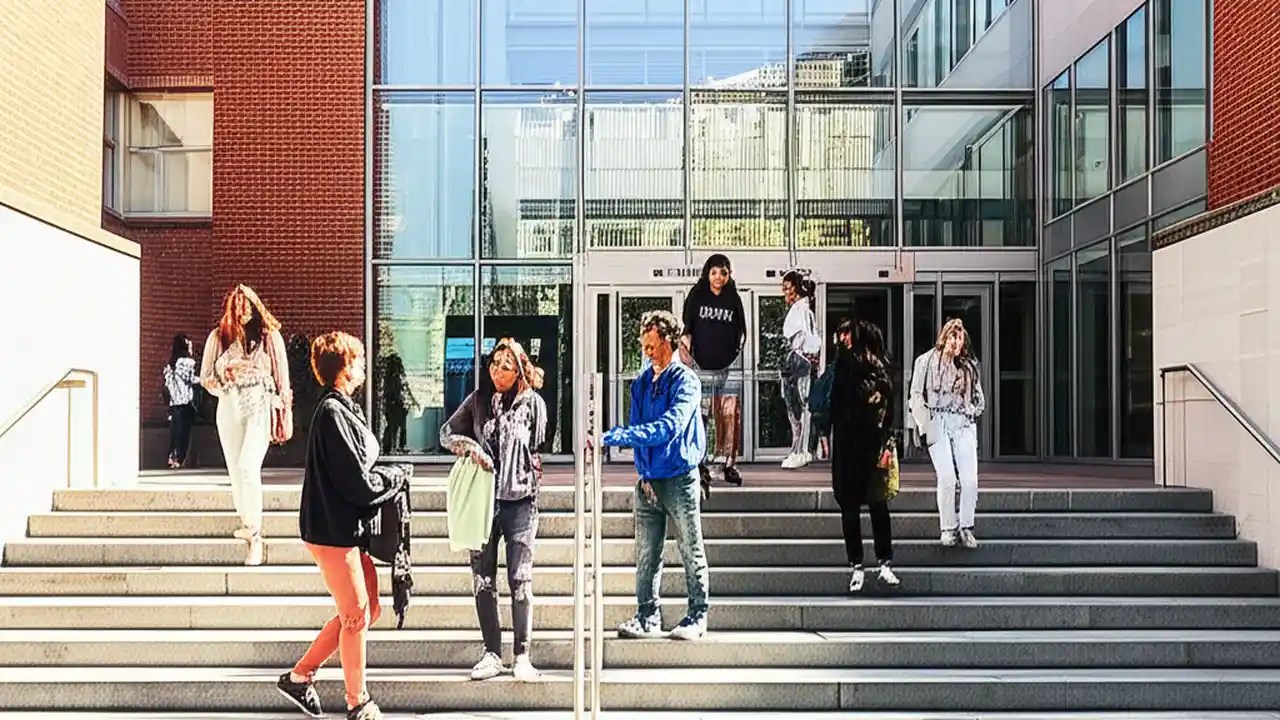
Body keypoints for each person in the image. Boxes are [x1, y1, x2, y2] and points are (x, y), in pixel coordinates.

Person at [276, 331, 412, 720]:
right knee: (355, 614)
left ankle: (299, 678)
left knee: (367, 611)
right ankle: (358, 702)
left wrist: (386, 477)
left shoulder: (343, 407)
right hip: (331, 529)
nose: (365, 366)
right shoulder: (333, 412)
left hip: (342, 527)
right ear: (346, 366)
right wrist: (393, 479)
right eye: (360, 359)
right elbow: (355, 482)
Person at [442, 338, 548, 682]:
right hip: (482, 502)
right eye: (494, 362)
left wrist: (528, 472)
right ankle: (491, 653)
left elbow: (538, 447)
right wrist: (470, 446)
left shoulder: (533, 404)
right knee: (483, 578)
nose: (497, 369)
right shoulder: (477, 401)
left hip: (520, 500)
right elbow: (446, 433)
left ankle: (522, 655)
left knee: (520, 579)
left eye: (506, 365)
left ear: (519, 371)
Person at [603, 310, 710, 642]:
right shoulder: (640, 383)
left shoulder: (686, 381)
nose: (647, 353)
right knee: (647, 553)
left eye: (653, 346)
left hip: (679, 477)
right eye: (644, 346)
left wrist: (616, 436)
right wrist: (643, 472)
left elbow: (669, 427)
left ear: (670, 342)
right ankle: (647, 615)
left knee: (690, 547)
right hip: (649, 479)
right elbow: (639, 428)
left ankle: (697, 614)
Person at [199, 284, 291, 566]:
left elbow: (282, 378)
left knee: (247, 466)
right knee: (235, 471)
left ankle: (255, 533)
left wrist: (283, 412)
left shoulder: (269, 337)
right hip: (229, 404)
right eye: (237, 306)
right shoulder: (219, 337)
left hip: (260, 404)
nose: (242, 312)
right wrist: (225, 378)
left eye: (246, 305)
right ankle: (247, 521)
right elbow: (206, 377)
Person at [831, 319, 900, 592]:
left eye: (847, 333)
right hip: (849, 444)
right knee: (851, 506)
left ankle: (883, 563)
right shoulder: (842, 367)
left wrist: (887, 442)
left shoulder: (876, 368)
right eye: (841, 333)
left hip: (872, 444)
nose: (843, 338)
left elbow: (888, 409)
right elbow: (835, 405)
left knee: (877, 505)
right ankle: (857, 566)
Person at [909, 318, 986, 549]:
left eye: (960, 337)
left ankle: (966, 526)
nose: (956, 342)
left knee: (970, 479)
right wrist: (924, 424)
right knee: (947, 477)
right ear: (944, 337)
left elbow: (979, 397)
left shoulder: (969, 366)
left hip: (962, 423)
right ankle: (948, 527)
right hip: (937, 420)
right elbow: (915, 394)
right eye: (952, 336)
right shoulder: (925, 361)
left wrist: (972, 411)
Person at [680, 253, 747, 490]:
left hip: (728, 367)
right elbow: (686, 331)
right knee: (701, 415)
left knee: (729, 415)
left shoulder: (733, 299)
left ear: (729, 275)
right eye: (714, 272)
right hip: (701, 368)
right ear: (708, 273)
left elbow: (741, 332)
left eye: (724, 272)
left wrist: (735, 357)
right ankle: (699, 462)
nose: (719, 277)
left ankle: (727, 463)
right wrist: (688, 363)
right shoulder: (697, 296)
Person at [780, 270, 820, 469]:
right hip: (798, 359)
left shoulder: (802, 310)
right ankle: (799, 449)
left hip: (799, 359)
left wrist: (807, 353)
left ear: (796, 289)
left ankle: (800, 450)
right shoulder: (802, 309)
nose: (785, 293)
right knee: (797, 408)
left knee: (800, 408)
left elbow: (810, 339)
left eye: (788, 288)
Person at [162, 334, 199, 469]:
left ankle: (172, 457)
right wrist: (206, 380)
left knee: (175, 433)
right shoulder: (187, 362)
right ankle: (179, 459)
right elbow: (191, 379)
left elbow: (167, 384)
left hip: (174, 403)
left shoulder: (170, 364)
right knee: (184, 433)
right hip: (185, 402)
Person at [380, 352, 418, 453]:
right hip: (394, 405)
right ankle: (393, 447)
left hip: (395, 405)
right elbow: (400, 391)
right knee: (394, 427)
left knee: (396, 427)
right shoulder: (392, 379)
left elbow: (405, 389)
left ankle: (395, 447)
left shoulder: (393, 379)